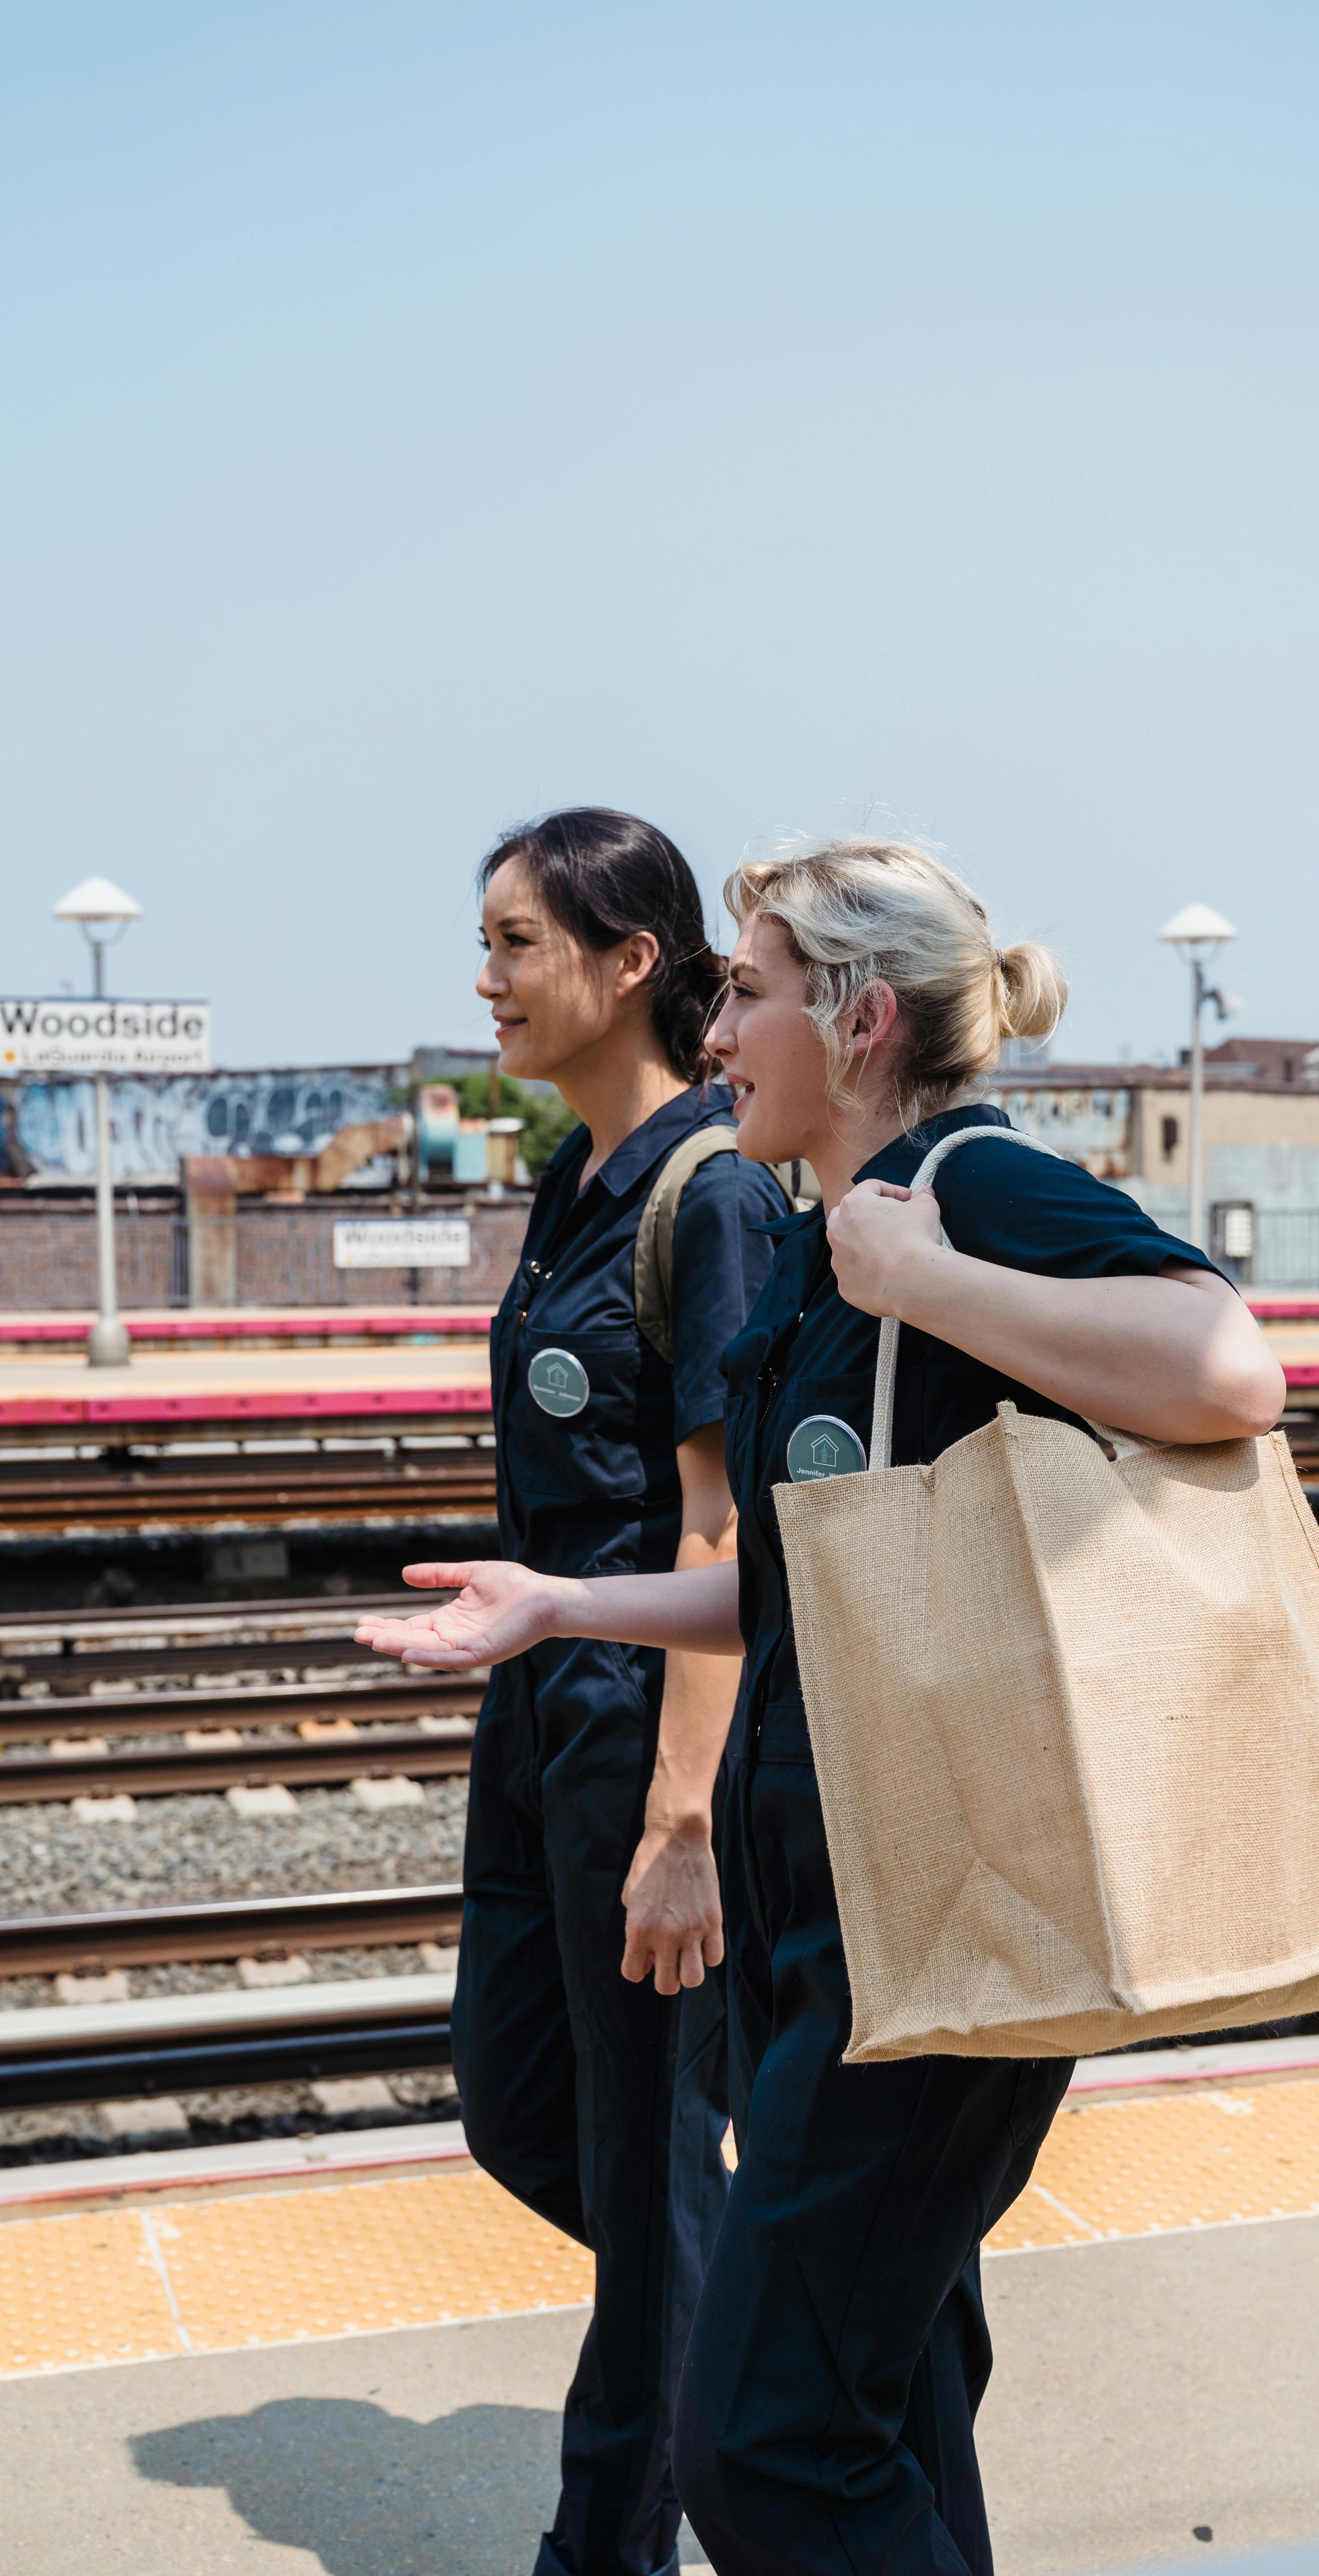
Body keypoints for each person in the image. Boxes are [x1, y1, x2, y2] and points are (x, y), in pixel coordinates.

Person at [360, 839, 1287, 2576]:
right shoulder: (809, 1253)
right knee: (872, 2404)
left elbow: (1230, 1371)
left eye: (758, 992)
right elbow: (790, 1582)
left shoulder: (967, 1186)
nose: (722, 1034)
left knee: (770, 2448)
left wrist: (929, 1282)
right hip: (830, 1917)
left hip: (939, 1909)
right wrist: (563, 1604)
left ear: (858, 1020)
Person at [451, 808, 786, 2576]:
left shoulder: (708, 1190)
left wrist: (683, 1823)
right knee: (515, 2106)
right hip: (534, 1716)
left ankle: (612, 2544)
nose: (487, 975)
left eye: (517, 942)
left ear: (627, 962)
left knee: (656, 2190)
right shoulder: (569, 1180)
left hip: (647, 1730)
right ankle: (778, 2345)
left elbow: (730, 1532)